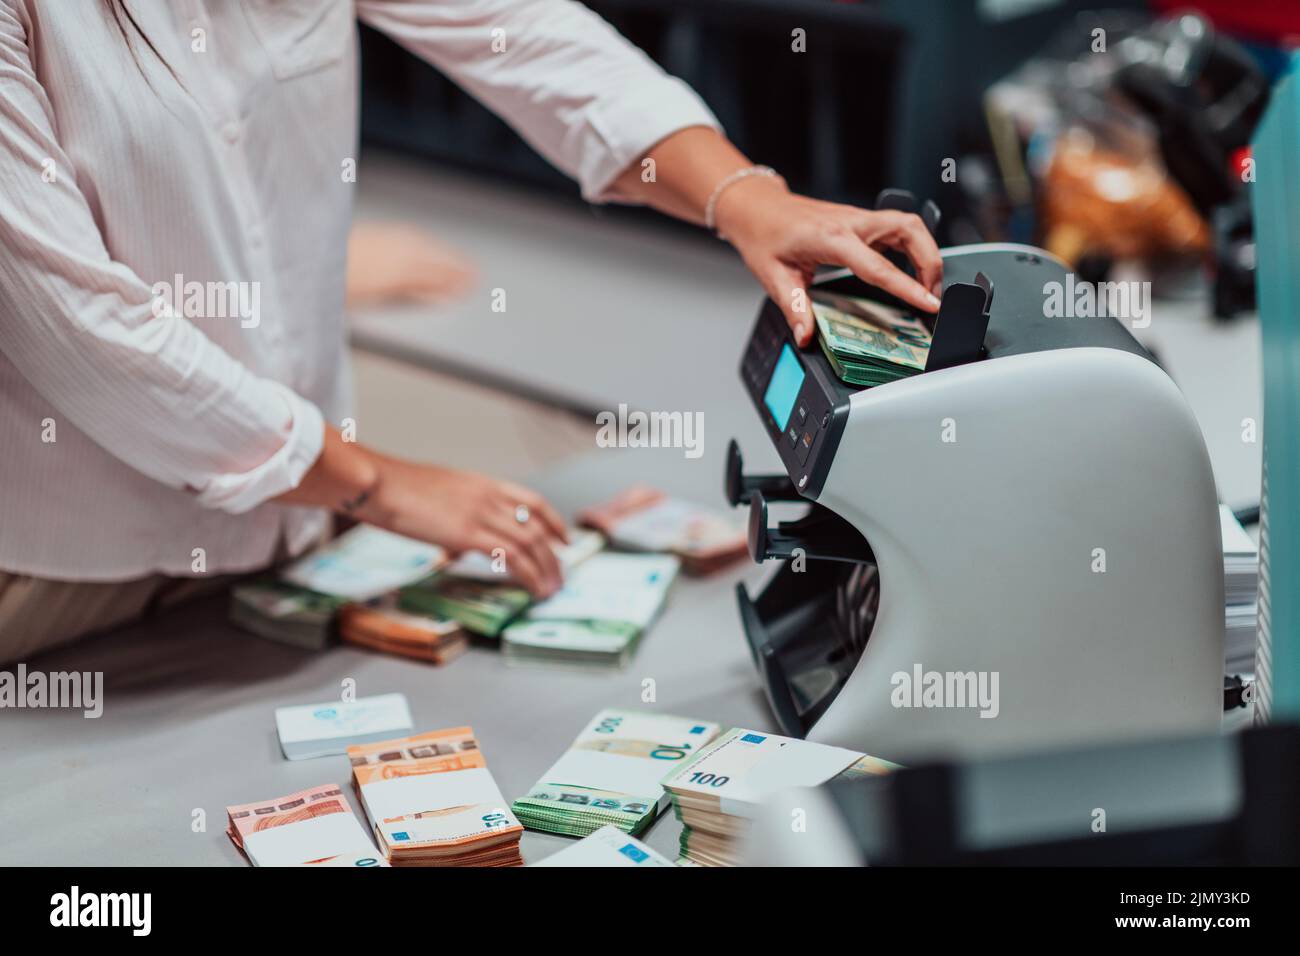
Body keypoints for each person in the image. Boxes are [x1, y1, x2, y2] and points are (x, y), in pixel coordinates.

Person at [0, 1, 942, 663]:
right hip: (67, 575)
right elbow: (84, 334)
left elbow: (526, 36)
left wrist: (745, 198)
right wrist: (381, 484)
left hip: (294, 527)